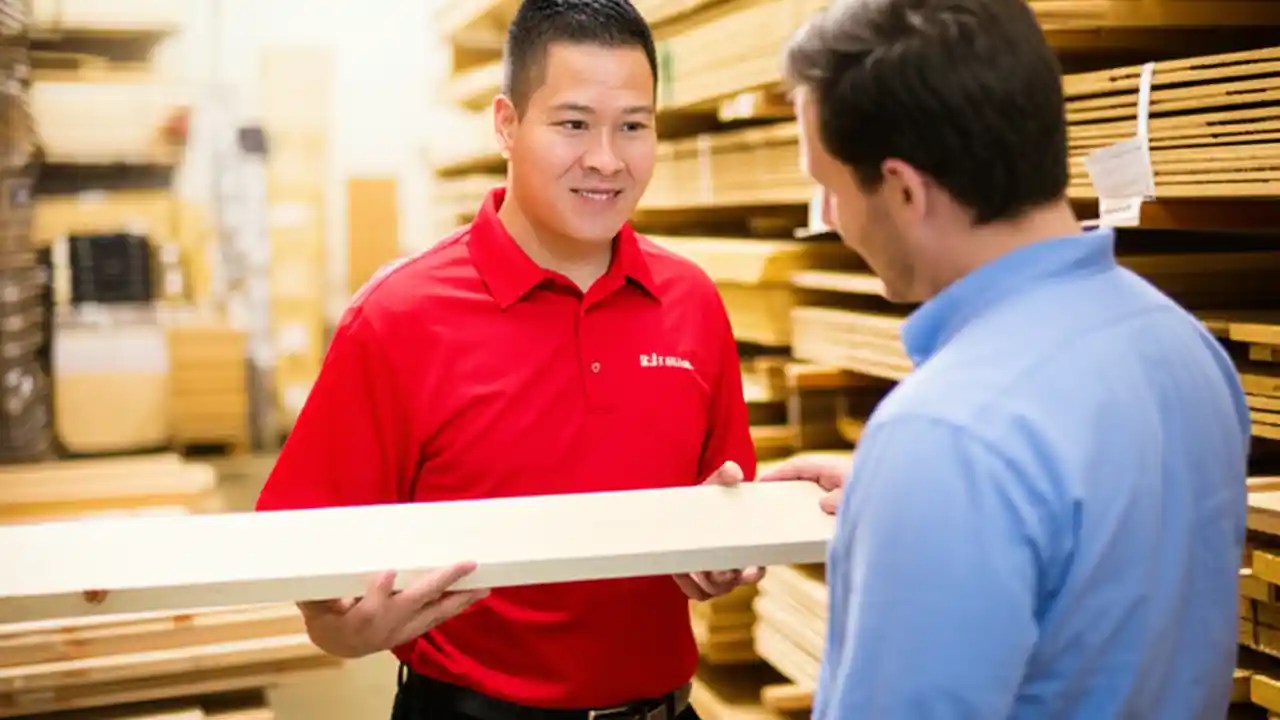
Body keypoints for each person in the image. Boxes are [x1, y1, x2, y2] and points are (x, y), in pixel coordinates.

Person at [253, 1, 760, 718]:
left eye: (633, 126)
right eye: (574, 124)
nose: (607, 159)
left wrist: (734, 544)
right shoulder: (400, 317)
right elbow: (306, 556)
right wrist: (339, 629)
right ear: (506, 124)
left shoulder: (692, 302)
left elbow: (727, 503)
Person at [761, 0, 1250, 717]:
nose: (830, 217)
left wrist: (924, 484)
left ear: (903, 190)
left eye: (828, 188)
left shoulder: (944, 437)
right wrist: (906, 504)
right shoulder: (1184, 347)